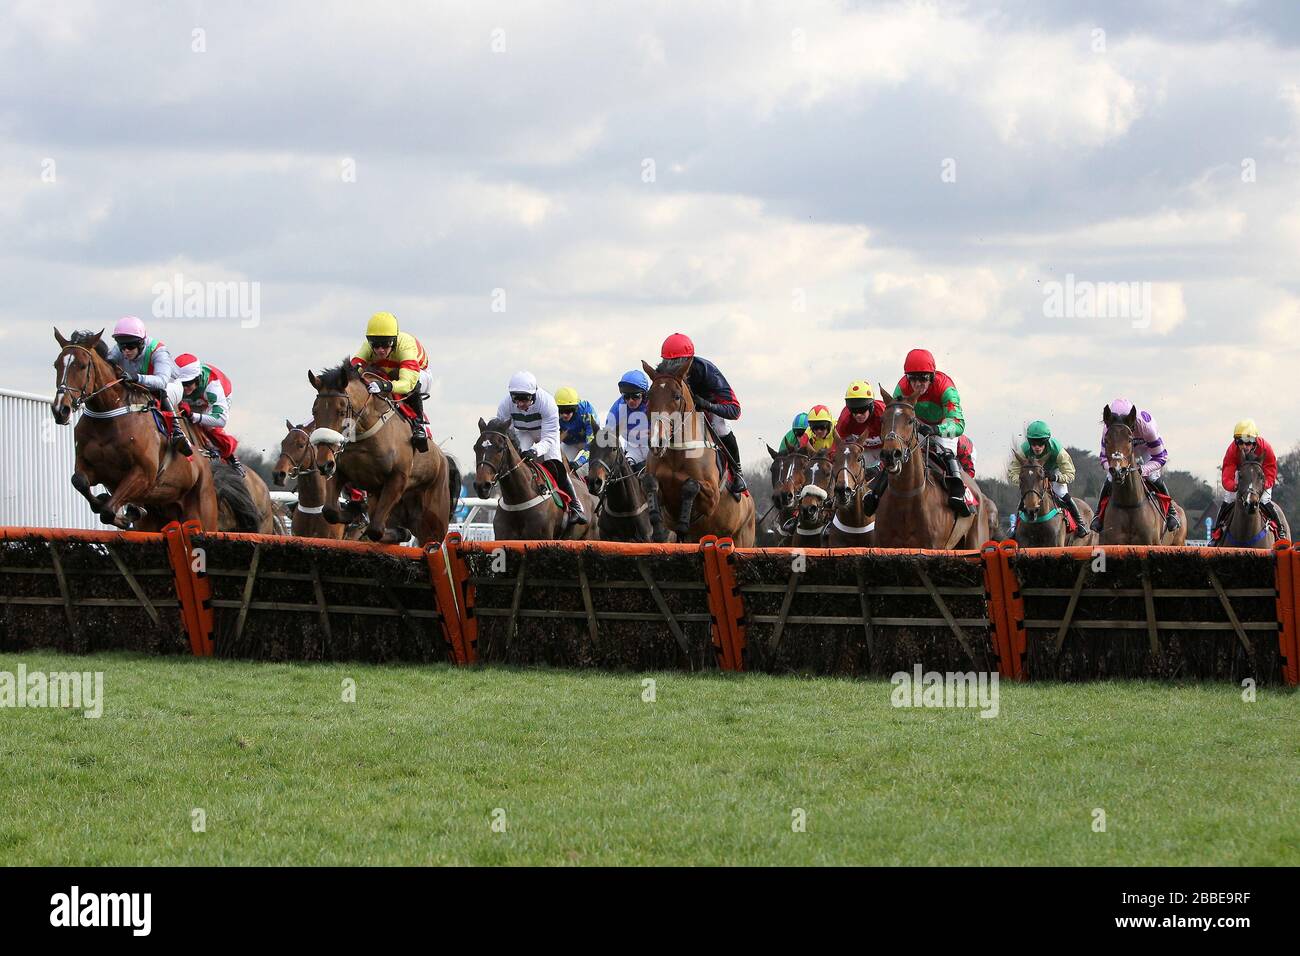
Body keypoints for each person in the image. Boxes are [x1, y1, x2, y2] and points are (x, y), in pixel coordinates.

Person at [658, 333, 747, 495]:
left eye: (677, 364)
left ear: (688, 361)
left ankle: (738, 472)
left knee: (721, 427)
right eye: (669, 363)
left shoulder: (708, 372)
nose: (673, 370)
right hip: (682, 410)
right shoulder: (663, 373)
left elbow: (735, 411)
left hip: (710, 409)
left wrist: (707, 405)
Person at [494, 371, 586, 526]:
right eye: (516, 398)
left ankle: (576, 506)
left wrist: (535, 451)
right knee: (518, 462)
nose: (520, 404)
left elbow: (550, 438)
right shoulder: (505, 405)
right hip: (523, 432)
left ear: (534, 395)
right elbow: (502, 433)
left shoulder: (547, 402)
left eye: (525, 399)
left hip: (546, 434)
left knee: (555, 464)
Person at [891, 348, 973, 516]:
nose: (917, 384)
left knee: (946, 452)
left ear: (932, 377)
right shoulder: (901, 388)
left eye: (923, 378)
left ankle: (959, 494)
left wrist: (936, 430)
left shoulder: (946, 388)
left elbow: (958, 424)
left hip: (943, 424)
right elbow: (894, 417)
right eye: (912, 378)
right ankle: (877, 492)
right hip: (915, 423)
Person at [104, 316, 191, 455]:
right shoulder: (119, 349)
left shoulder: (158, 351)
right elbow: (105, 365)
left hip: (169, 385)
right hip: (138, 386)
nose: (126, 351)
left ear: (141, 343)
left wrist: (137, 377)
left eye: (131, 346)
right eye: (122, 346)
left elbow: (162, 381)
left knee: (161, 391)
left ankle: (177, 432)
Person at [1092, 398, 1179, 534]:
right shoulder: (1108, 430)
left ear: (1131, 419)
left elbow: (1161, 457)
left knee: (1152, 476)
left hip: (1147, 449)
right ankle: (1098, 515)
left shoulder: (1147, 426)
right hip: (1121, 450)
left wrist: (1143, 469)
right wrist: (1112, 469)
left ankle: (1171, 513)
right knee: (1110, 478)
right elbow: (1104, 457)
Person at [349, 311, 431, 452]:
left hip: (417, 375)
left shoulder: (406, 345)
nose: (380, 350)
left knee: (410, 381)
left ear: (394, 340)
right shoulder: (368, 347)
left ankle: (419, 425)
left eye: (386, 344)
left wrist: (384, 385)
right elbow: (352, 371)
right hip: (387, 372)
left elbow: (407, 383)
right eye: (375, 345)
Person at [604, 369, 667, 541]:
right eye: (626, 397)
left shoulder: (653, 403)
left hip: (650, 447)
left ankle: (664, 515)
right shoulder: (619, 406)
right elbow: (608, 434)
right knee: (622, 474)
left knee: (655, 476)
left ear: (644, 395)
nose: (630, 401)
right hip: (631, 446)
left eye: (635, 396)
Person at [1007, 420, 1087, 537]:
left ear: (1046, 441)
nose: (1037, 447)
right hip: (1034, 475)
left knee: (1061, 492)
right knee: (1028, 495)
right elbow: (1012, 471)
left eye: (1040, 443)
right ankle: (1015, 529)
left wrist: (1055, 477)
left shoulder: (1057, 450)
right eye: (1033, 444)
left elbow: (1070, 474)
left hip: (1055, 471)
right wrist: (1023, 481)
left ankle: (1080, 523)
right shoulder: (1023, 450)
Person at [174, 353, 244, 476]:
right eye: (181, 384)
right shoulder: (175, 377)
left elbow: (220, 420)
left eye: (188, 384)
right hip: (197, 398)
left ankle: (231, 458)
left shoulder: (213, 387)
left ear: (197, 379)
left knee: (208, 426)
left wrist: (194, 416)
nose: (184, 389)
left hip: (220, 395)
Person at [1212, 419, 1281, 539]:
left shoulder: (1265, 448)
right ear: (1236, 441)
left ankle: (1280, 532)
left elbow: (1270, 469)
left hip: (1259, 478)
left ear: (1255, 442)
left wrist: (1264, 485)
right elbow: (1228, 471)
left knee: (1265, 500)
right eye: (1240, 442)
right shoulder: (1232, 450)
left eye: (1248, 442)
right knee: (1228, 499)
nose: (1244, 446)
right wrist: (1233, 486)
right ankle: (1217, 532)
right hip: (1242, 476)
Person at [835, 380, 885, 469]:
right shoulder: (845, 419)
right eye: (853, 410)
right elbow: (837, 446)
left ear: (871, 406)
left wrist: (882, 466)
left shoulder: (882, 413)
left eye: (862, 410)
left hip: (884, 449)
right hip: (864, 451)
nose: (858, 415)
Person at [554, 386, 600, 472]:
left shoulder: (586, 412)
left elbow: (591, 443)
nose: (564, 415)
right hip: (569, 444)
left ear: (576, 408)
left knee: (587, 470)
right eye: (561, 410)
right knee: (562, 470)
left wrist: (579, 462)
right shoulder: (553, 412)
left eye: (568, 410)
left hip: (588, 442)